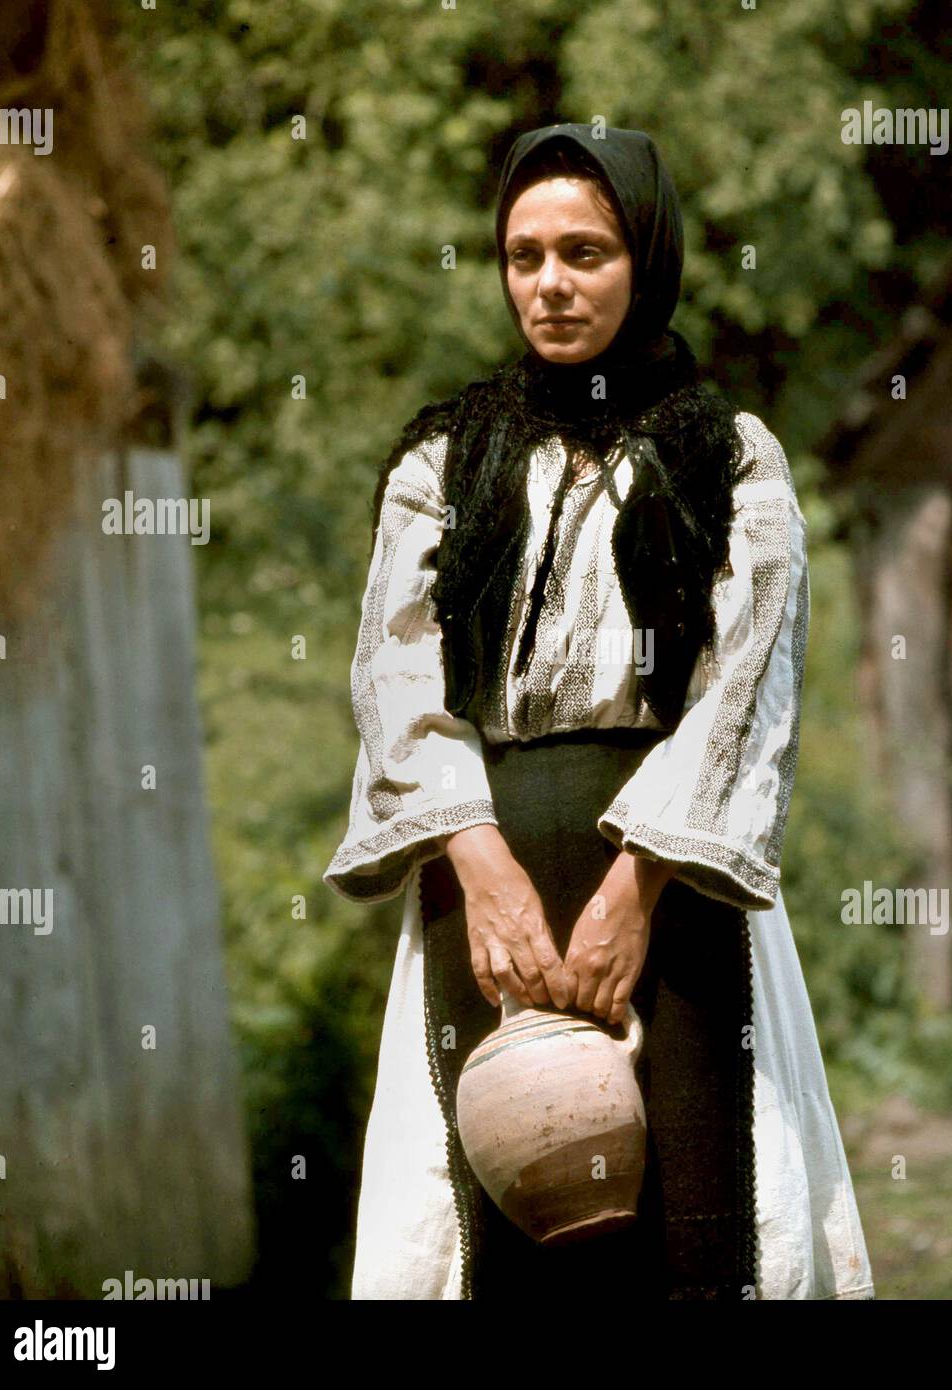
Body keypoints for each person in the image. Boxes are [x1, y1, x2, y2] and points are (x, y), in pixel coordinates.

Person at [324, 122, 874, 1300]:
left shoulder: (727, 459)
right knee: (501, 1249)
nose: (551, 285)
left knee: (695, 1235)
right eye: (525, 256)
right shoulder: (444, 460)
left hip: (676, 902)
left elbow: (741, 683)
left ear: (649, 258)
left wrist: (637, 887)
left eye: (586, 251)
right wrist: (480, 864)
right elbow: (396, 670)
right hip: (491, 897)